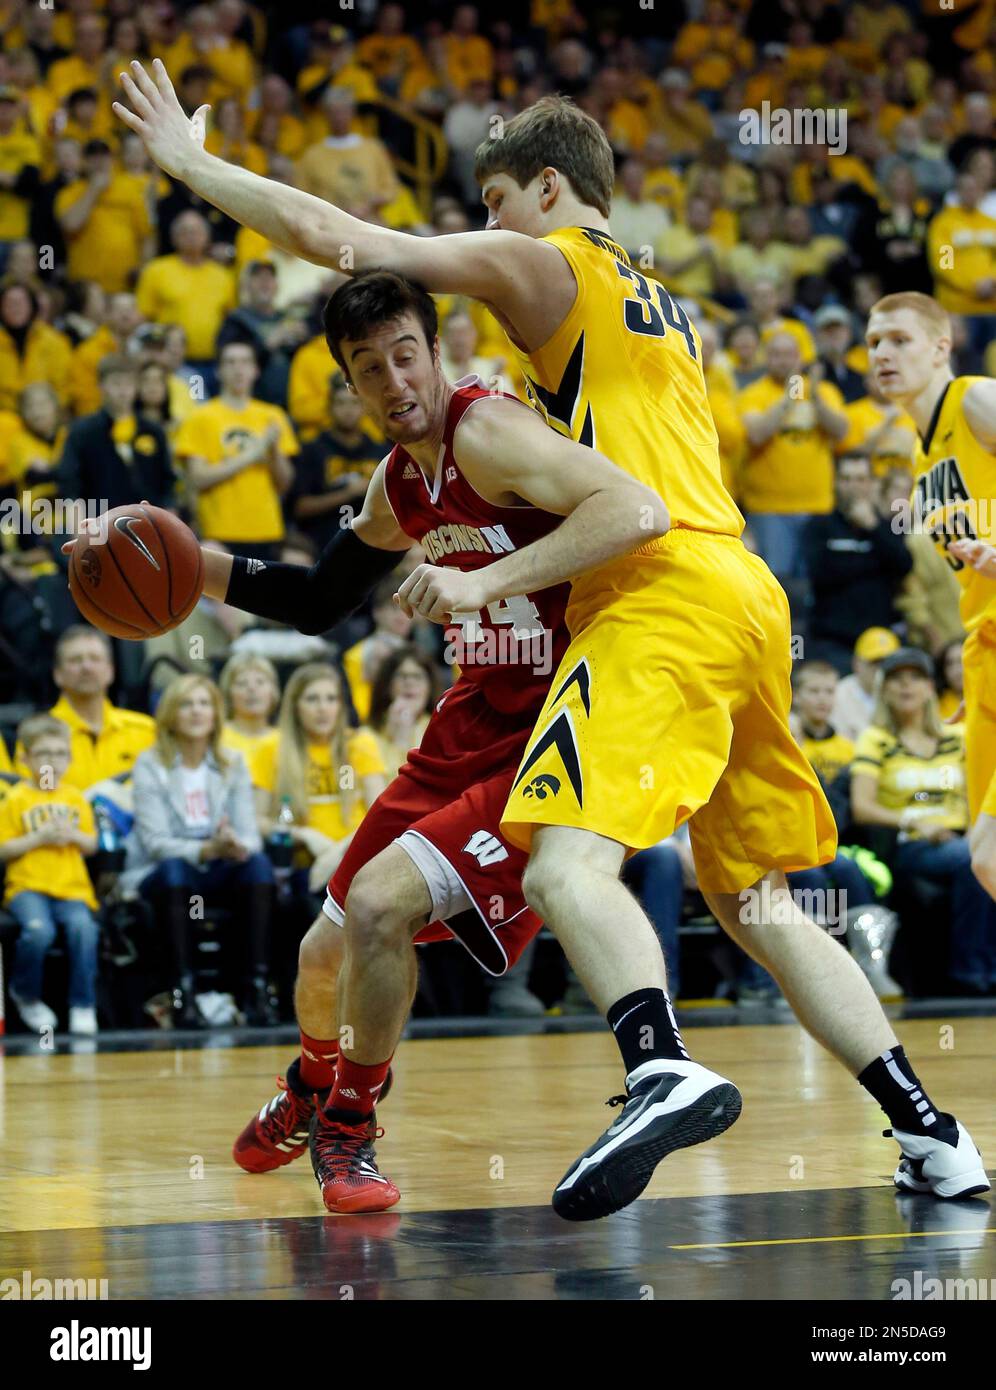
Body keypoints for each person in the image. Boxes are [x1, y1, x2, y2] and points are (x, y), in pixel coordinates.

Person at [114, 69, 989, 1215]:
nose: (481, 229)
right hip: (745, 597)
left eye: (491, 202)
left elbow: (338, 237)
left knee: (566, 861)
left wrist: (189, 161)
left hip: (659, 590)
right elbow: (334, 584)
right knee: (760, 902)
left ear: (548, 187)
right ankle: (935, 1135)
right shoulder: (650, 301)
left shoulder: (548, 266)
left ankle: (657, 1062)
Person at [867, 290, 996, 906]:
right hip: (984, 657)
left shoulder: (976, 400)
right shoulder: (923, 458)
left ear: (941, 346)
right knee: (987, 861)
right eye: (873, 343)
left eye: (899, 340)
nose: (882, 354)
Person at [120, 674, 277, 1028]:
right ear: (171, 715)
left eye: (204, 704)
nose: (196, 712)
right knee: (176, 869)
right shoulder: (151, 764)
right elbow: (156, 843)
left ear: (216, 714)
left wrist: (236, 845)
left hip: (219, 864)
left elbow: (251, 836)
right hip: (165, 871)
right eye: (187, 704)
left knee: (259, 867)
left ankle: (256, 989)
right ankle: (183, 991)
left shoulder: (231, 762)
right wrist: (208, 849)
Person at [850, 647, 996, 995]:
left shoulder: (955, 736)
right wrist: (915, 822)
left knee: (979, 854)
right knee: (969, 860)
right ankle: (970, 973)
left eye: (916, 678)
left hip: (962, 835)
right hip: (908, 844)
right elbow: (861, 807)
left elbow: (980, 790)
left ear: (931, 687)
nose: (906, 687)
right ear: (883, 689)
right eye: (897, 679)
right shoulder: (876, 739)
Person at [0, 714, 100, 1035]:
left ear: (70, 759)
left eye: (59, 753)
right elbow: (3, 848)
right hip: (28, 888)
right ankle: (25, 994)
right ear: (25, 759)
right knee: (38, 931)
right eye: (43, 753)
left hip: (72, 890)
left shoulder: (75, 798)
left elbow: (92, 844)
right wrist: (37, 838)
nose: (52, 761)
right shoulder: (15, 799)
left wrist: (72, 835)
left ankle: (82, 1003)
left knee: (84, 930)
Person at [172, 339, 297, 561]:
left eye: (245, 362)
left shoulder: (272, 415)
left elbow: (285, 483)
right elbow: (199, 477)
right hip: (219, 531)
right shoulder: (200, 417)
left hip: (267, 528)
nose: (238, 369)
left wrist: (274, 451)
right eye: (230, 362)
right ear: (219, 371)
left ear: (256, 370)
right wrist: (253, 454)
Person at [804, 452, 913, 673]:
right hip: (832, 641)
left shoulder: (886, 527)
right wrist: (874, 563)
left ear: (872, 483)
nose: (853, 486)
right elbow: (820, 574)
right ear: (835, 483)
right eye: (846, 479)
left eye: (861, 479)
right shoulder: (819, 525)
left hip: (880, 640)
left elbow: (904, 565)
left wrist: (872, 526)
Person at [25, 626, 156, 790]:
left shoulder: (146, 730)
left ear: (111, 671)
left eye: (95, 658)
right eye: (75, 660)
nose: (86, 667)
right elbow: (31, 799)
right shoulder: (36, 734)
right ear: (57, 675)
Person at [56, 354, 176, 514]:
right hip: (99, 523)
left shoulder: (153, 431)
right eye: (116, 383)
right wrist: (80, 531)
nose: (123, 391)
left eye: (128, 383)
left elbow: (167, 484)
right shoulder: (82, 432)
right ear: (101, 386)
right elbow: (70, 486)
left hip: (148, 523)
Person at [288, 373, 383, 551]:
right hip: (320, 547)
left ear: (364, 407)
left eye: (354, 403)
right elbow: (300, 508)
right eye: (341, 403)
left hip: (371, 550)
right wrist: (348, 493)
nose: (348, 410)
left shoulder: (381, 451)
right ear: (329, 408)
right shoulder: (312, 450)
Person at [362, 644, 438, 779]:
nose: (409, 682)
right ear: (388, 685)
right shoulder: (367, 735)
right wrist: (399, 742)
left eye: (418, 676)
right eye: (402, 676)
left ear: (429, 686)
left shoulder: (441, 730)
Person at [218, 652, 281, 796]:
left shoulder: (286, 739)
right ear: (229, 693)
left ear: (273, 691)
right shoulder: (215, 736)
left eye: (260, 682)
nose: (252, 689)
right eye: (242, 683)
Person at [830, 626, 902, 744]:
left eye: (888, 663)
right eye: (875, 662)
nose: (881, 670)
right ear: (856, 663)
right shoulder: (837, 695)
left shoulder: (905, 694)